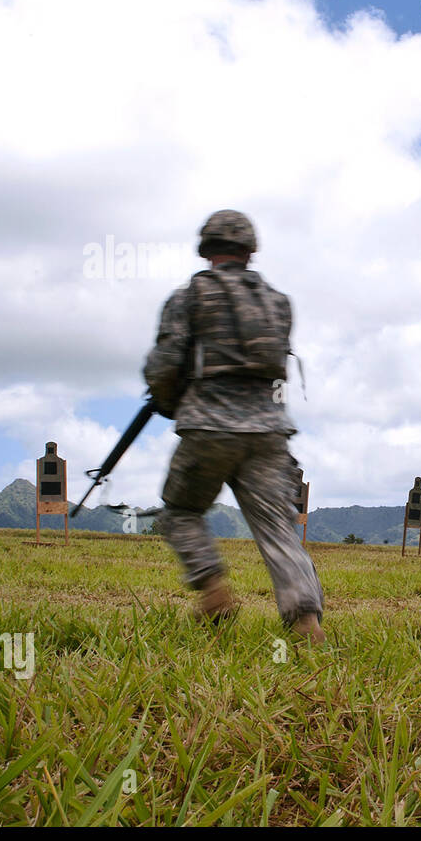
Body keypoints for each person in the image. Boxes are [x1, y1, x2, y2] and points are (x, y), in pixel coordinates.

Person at [143, 210, 325, 642]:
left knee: (182, 511)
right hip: (269, 431)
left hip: (209, 426)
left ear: (207, 250)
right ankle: (304, 621)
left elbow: (164, 365)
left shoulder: (188, 297)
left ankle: (214, 592)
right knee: (278, 526)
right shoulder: (278, 303)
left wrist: (172, 404)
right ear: (250, 251)